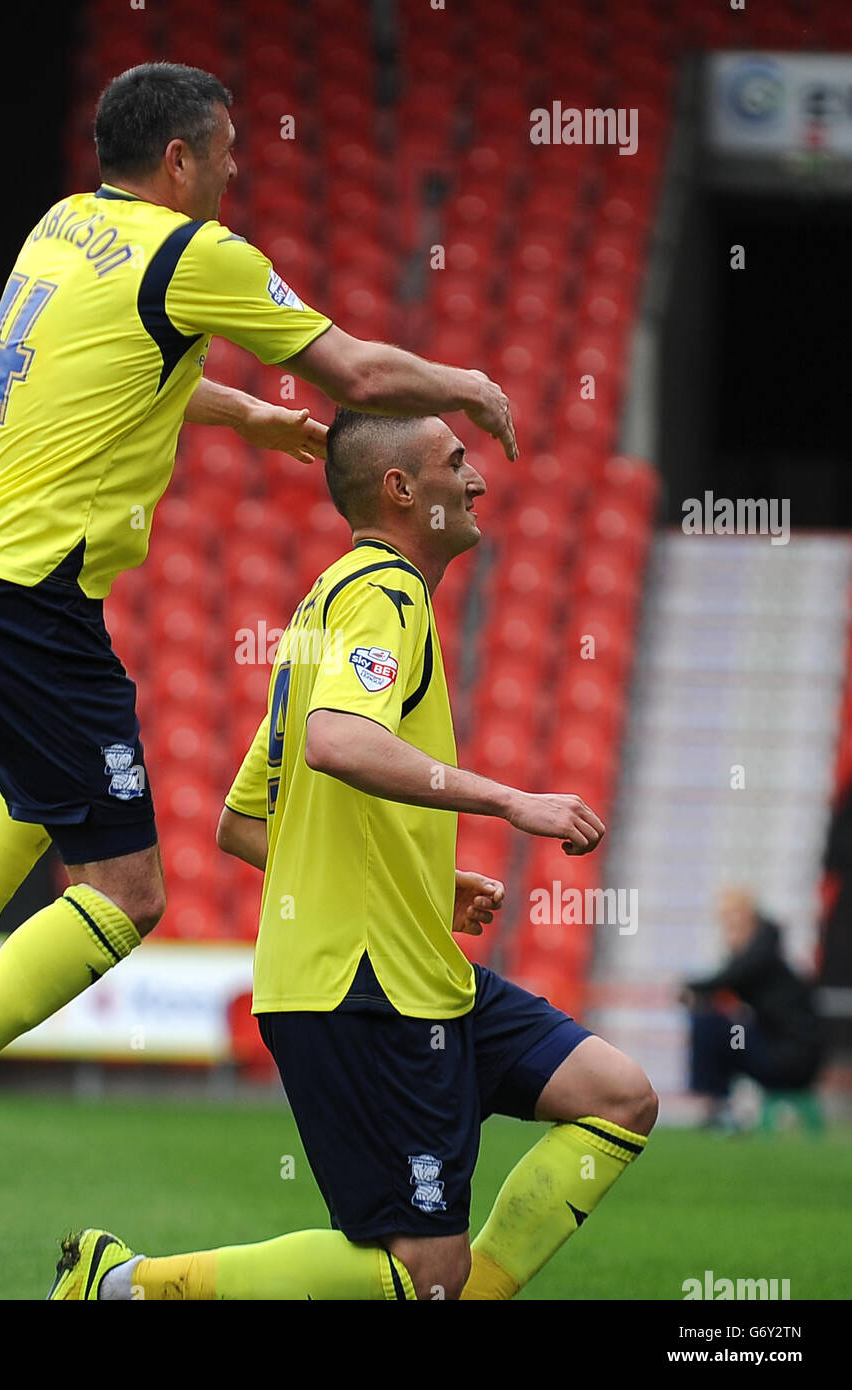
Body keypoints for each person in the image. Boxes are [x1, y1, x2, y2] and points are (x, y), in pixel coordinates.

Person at [0, 63, 518, 1255]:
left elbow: (111, 378)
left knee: (63, 770)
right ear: (183, 163)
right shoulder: (197, 254)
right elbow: (355, 372)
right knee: (126, 891)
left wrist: (249, 420)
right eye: (230, 152)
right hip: (33, 595)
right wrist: (462, 382)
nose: (239, 171)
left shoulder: (64, 229)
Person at [47, 409, 657, 1301]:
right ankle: (126, 1287)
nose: (477, 479)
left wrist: (421, 876)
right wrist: (511, 800)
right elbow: (336, 740)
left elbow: (244, 819)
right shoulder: (386, 594)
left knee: (617, 1096)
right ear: (401, 489)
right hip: (363, 984)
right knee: (421, 1269)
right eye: (457, 462)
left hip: (409, 965)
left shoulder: (320, 607)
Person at [683, 887, 824, 1128]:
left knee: (709, 1025)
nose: (728, 932)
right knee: (722, 1030)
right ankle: (720, 1104)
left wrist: (690, 988)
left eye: (733, 923)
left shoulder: (760, 953)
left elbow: (729, 977)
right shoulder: (764, 952)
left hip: (788, 1059)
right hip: (784, 1052)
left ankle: (718, 1105)